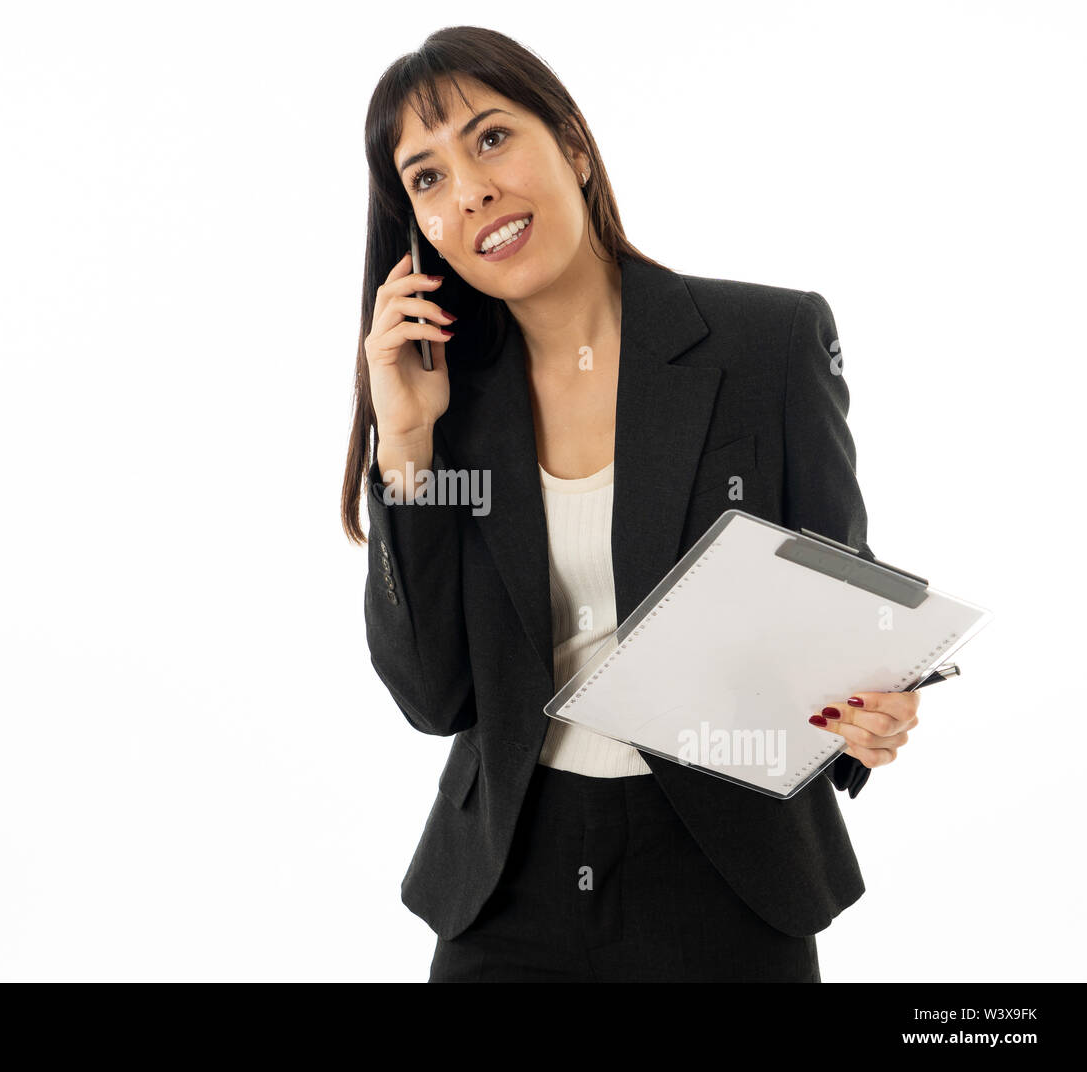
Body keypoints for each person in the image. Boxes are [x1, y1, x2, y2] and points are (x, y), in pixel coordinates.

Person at [340, 26, 921, 983]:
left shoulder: (766, 344)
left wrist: (868, 711)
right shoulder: (451, 406)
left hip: (728, 869)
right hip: (509, 881)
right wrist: (404, 447)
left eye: (490, 139)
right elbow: (432, 696)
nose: (471, 188)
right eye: (427, 178)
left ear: (571, 141)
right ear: (417, 230)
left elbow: (839, 614)